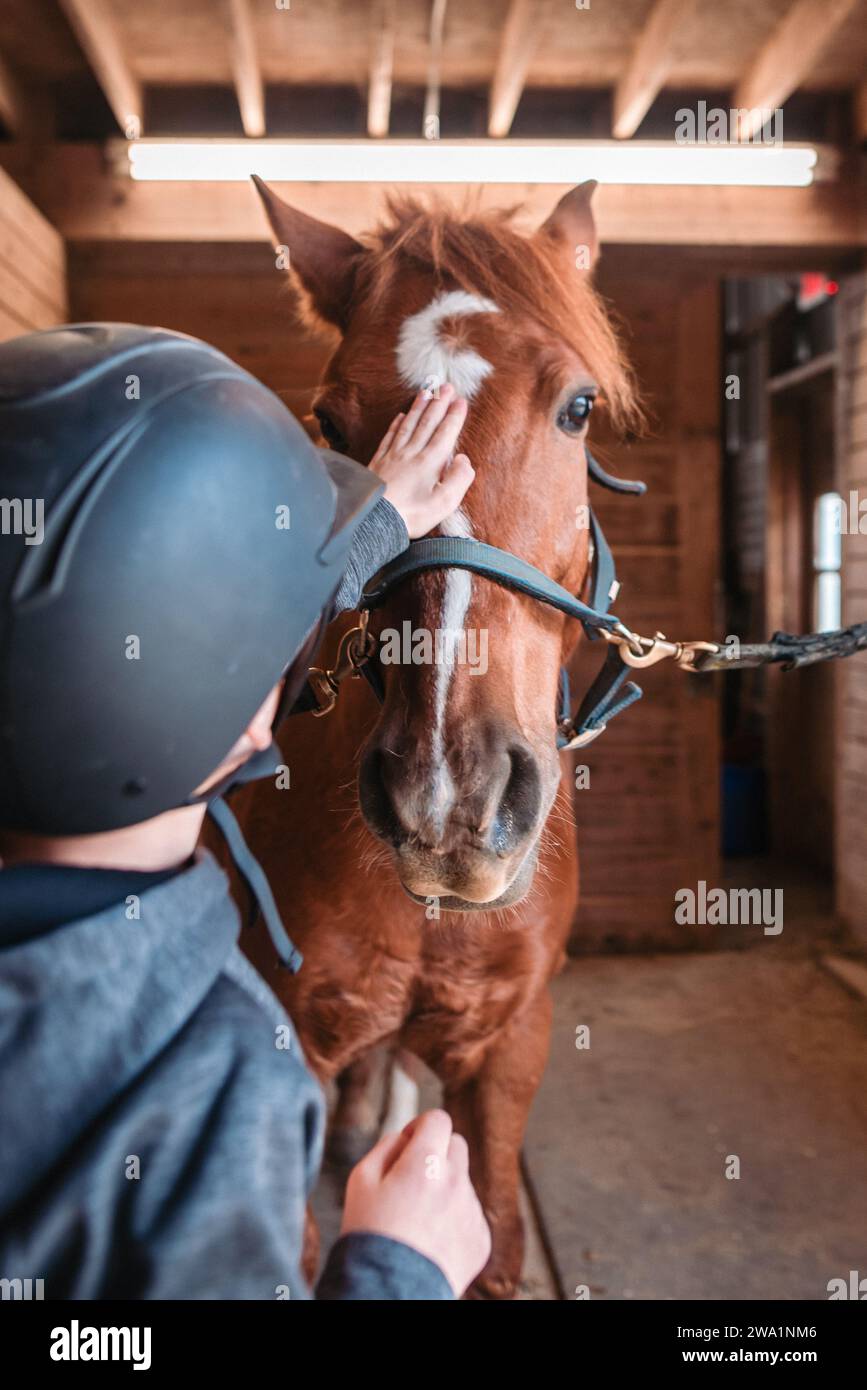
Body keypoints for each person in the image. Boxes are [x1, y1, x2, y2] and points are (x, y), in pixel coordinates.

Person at [0, 322, 490, 1300]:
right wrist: (397, 1270)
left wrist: (363, 527)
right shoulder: (214, 1072)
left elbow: (126, 652)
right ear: (241, 721)